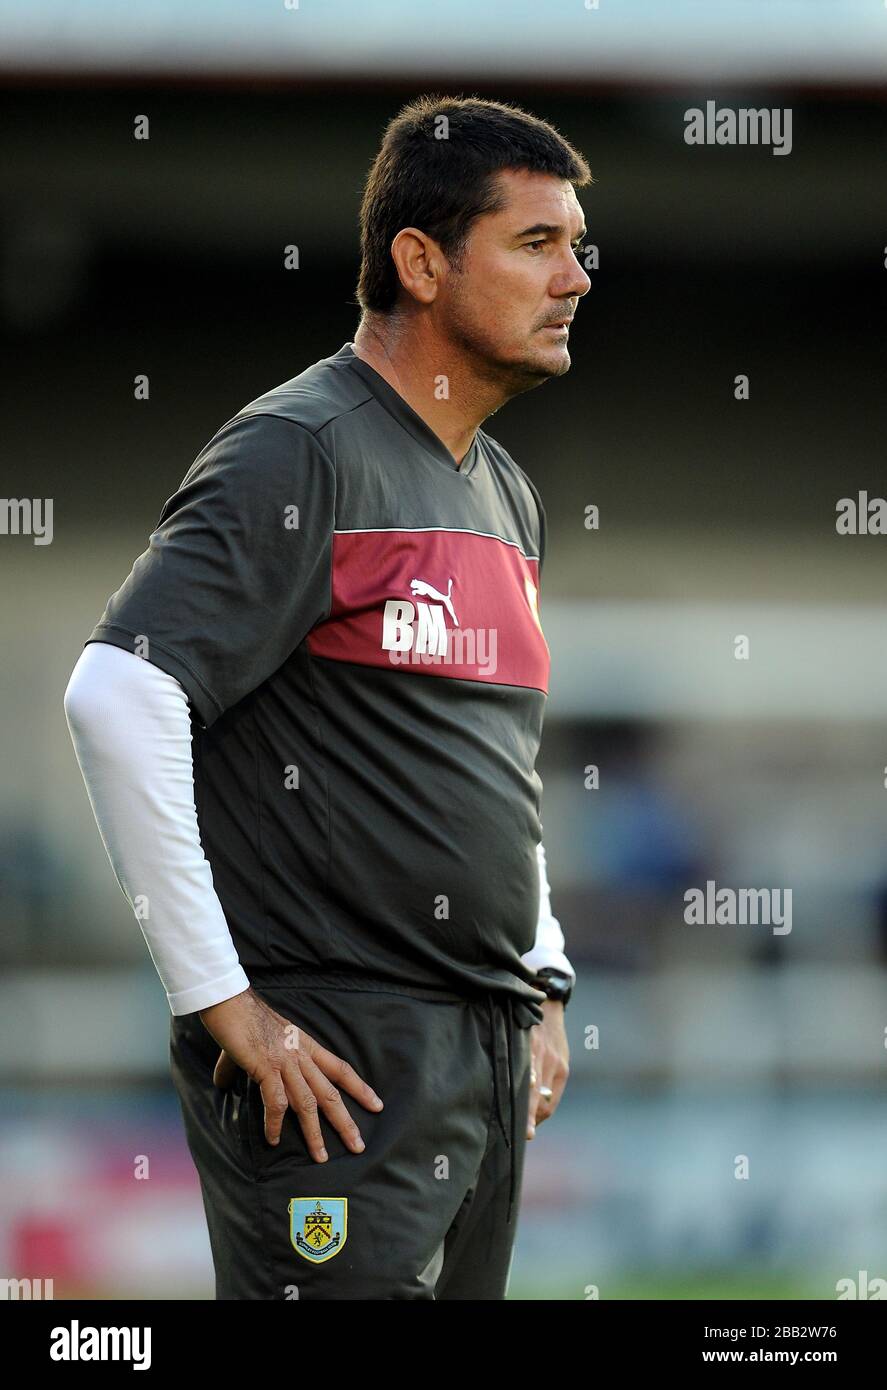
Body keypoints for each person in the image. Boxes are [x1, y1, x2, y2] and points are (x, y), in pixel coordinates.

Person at [64, 93, 590, 1300]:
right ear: (418, 262)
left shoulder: (505, 491)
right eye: (535, 243)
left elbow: (488, 763)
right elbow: (117, 696)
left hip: (484, 1043)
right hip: (335, 1055)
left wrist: (539, 975)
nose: (573, 277)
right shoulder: (301, 451)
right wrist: (222, 1005)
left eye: (576, 247)